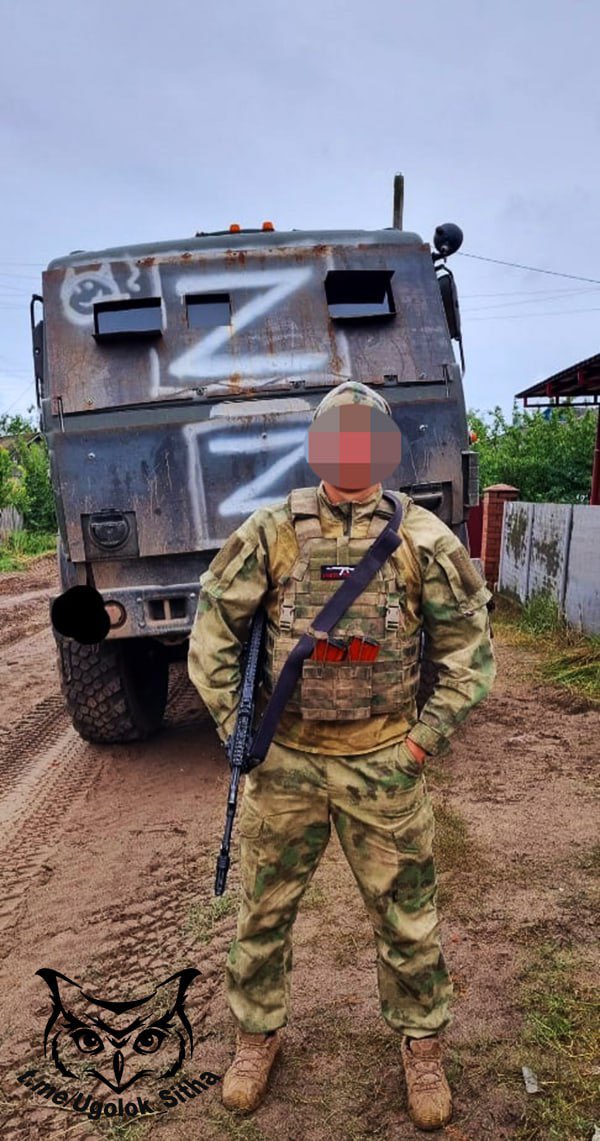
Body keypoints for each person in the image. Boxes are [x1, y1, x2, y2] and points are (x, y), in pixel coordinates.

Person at [188, 381, 495, 1132]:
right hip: (286, 761)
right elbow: (214, 630)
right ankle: (256, 1037)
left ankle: (422, 1047)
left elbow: (468, 655)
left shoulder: (424, 539)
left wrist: (422, 740)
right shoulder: (271, 532)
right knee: (262, 912)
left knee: (408, 918)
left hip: (382, 761)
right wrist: (240, 730)